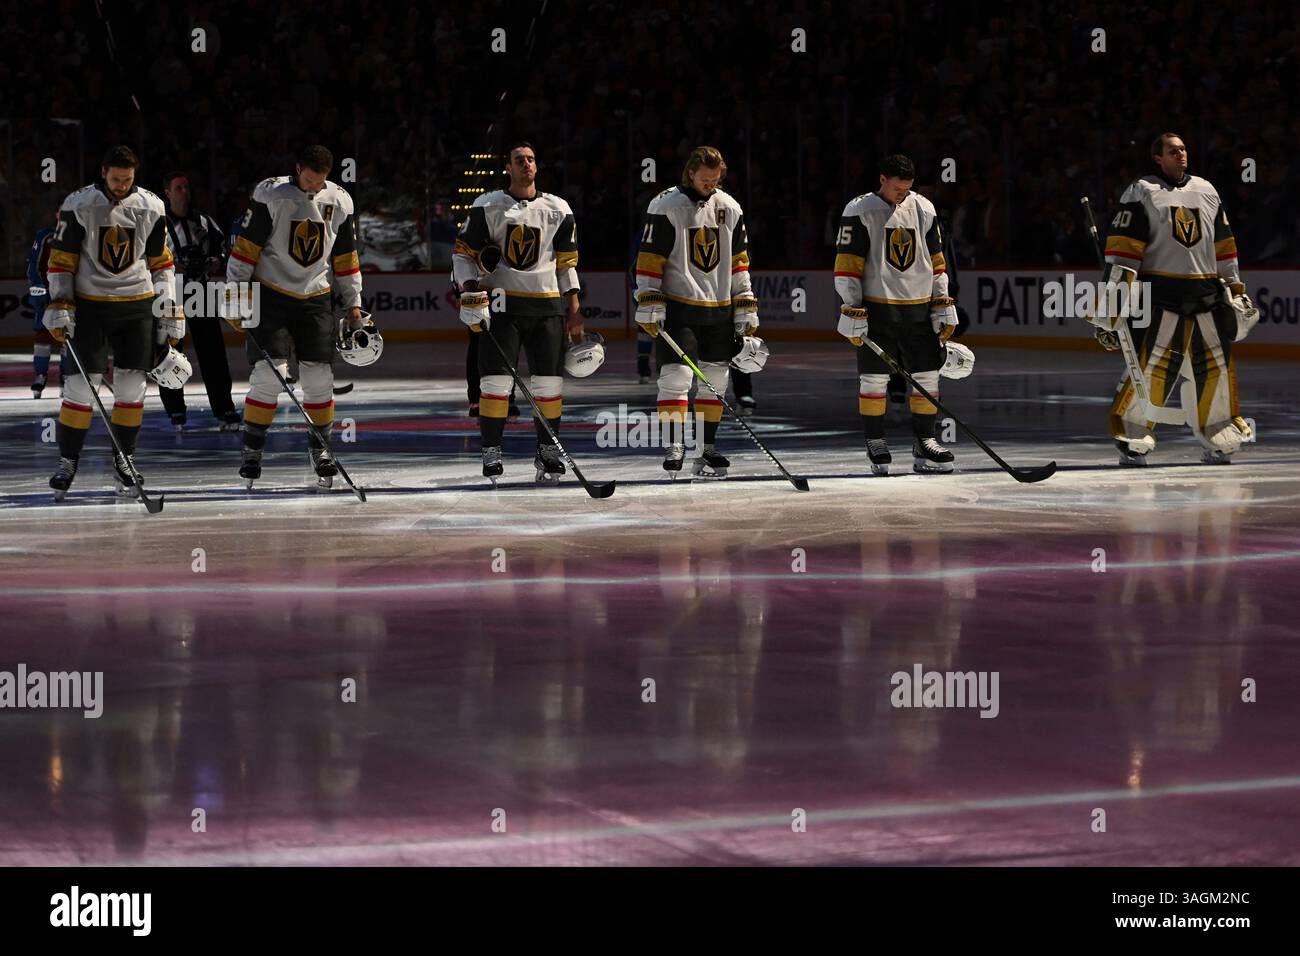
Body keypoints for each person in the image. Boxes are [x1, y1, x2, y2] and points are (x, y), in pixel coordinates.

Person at [1090, 132, 1257, 465]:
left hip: (1208, 294)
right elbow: (1124, 252)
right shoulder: (1142, 191)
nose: (1181, 154)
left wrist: (1235, 287)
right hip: (1160, 297)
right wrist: (1111, 307)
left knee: (1215, 370)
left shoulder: (1207, 190)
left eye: (1183, 149)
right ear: (1157, 158)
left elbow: (1224, 245)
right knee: (1153, 368)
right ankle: (1132, 433)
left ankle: (1217, 430)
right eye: (1172, 150)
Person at [43, 145, 183, 499]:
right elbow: (61, 260)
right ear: (103, 171)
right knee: (79, 387)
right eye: (116, 178)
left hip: (136, 306)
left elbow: (161, 263)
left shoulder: (151, 206)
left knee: (131, 388)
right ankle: (67, 461)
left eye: (128, 180)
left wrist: (167, 307)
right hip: (90, 306)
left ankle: (125, 460)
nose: (122, 185)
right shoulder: (78, 204)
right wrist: (61, 302)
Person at [223, 144, 365, 488]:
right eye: (308, 179)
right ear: (297, 168)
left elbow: (346, 258)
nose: (313, 188)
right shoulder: (271, 194)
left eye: (320, 182)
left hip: (315, 299)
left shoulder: (341, 201)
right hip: (270, 296)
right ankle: (253, 450)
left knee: (319, 379)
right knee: (269, 376)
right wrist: (235, 294)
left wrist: (354, 303)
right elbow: (245, 250)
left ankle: (320, 449)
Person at [452, 141, 582, 485]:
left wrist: (575, 309)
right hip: (501, 308)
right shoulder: (488, 205)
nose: (527, 164)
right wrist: (468, 289)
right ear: (507, 168)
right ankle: (491, 451)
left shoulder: (559, 208)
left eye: (531, 159)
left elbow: (567, 264)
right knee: (495, 384)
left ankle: (548, 451)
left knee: (550, 385)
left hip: (547, 305)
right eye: (519, 160)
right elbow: (463, 254)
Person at [634, 146, 756, 478]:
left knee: (715, 381)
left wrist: (744, 304)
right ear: (690, 173)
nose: (710, 185)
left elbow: (739, 263)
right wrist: (648, 299)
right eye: (705, 179)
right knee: (676, 378)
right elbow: (649, 260)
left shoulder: (729, 207)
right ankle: (675, 445)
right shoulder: (665, 205)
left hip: (719, 310)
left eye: (716, 180)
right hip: (679, 309)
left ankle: (706, 447)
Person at [833, 153, 957, 476]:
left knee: (927, 375)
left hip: (918, 310)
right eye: (896, 188)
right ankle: (876, 441)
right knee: (874, 378)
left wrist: (941, 302)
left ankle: (925, 441)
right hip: (877, 310)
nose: (901, 194)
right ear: (882, 180)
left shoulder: (924, 208)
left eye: (906, 189)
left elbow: (937, 261)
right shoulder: (859, 210)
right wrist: (852, 306)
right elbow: (847, 267)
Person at [157, 171, 241, 430]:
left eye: (186, 187)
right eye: (178, 187)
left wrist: (211, 261)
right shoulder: (158, 224)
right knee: (170, 352)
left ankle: (224, 408)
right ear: (168, 193)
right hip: (171, 291)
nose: (185, 191)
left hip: (200, 290)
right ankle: (175, 410)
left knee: (213, 351)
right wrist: (176, 266)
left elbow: (222, 249)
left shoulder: (203, 220)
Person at [27, 214, 60, 397]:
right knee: (42, 335)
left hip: (71, 294)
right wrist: (38, 287)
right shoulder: (46, 236)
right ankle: (40, 375)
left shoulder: (82, 235)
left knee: (68, 336)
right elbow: (33, 264)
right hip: (48, 295)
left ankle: (67, 377)